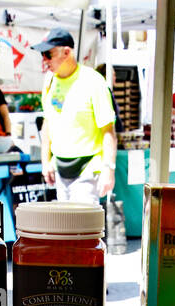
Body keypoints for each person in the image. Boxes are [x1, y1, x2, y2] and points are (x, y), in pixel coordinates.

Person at [33, 28, 116, 203]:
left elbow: (108, 131)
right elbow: (47, 123)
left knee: (82, 219)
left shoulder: (93, 81)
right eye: (42, 55)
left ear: (66, 52)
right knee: (63, 220)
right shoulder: (49, 82)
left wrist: (109, 168)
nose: (44, 60)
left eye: (48, 54)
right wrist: (45, 162)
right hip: (60, 169)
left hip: (87, 169)